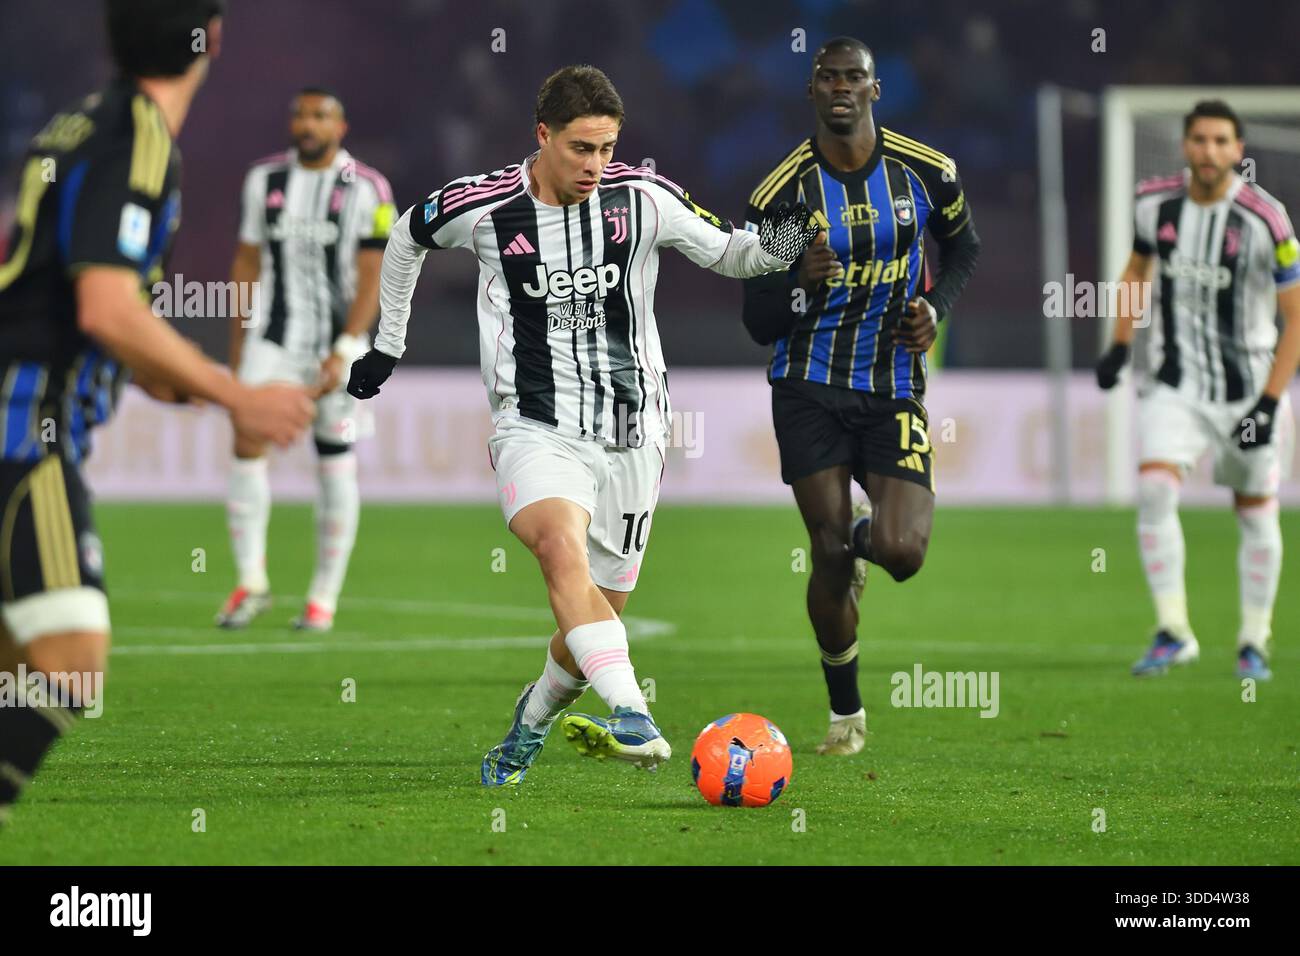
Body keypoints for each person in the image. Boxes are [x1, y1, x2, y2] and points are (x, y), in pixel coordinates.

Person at [347, 64, 822, 785]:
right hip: (534, 426)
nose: (596, 165)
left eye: (605, 148)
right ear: (542, 136)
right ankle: (634, 713)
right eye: (580, 148)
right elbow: (406, 237)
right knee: (557, 551)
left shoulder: (644, 199)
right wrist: (388, 343)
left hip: (635, 433)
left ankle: (529, 723)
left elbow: (734, 253)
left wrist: (788, 242)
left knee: (599, 611)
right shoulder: (485, 206)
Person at [0, 0, 313, 826]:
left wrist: (164, 377)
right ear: (211, 39)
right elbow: (106, 308)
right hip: (22, 427)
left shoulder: (77, 125)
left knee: (12, 667)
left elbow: (68, 298)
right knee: (70, 659)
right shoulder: (137, 135)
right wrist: (235, 393)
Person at [741, 37, 980, 755]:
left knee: (902, 553)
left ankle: (866, 535)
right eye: (828, 78)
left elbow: (964, 249)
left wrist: (937, 308)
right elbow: (759, 323)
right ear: (811, 91)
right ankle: (846, 718)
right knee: (830, 553)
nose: (841, 88)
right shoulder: (783, 196)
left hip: (894, 385)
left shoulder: (926, 174)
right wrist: (798, 283)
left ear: (876, 90)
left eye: (855, 78)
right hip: (807, 385)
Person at [1096, 100, 1300, 681]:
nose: (1209, 151)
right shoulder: (1154, 204)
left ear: (1239, 150)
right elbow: (1137, 272)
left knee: (1255, 512)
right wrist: (1118, 344)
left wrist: (1268, 402)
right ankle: (1172, 631)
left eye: (1220, 141)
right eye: (1199, 139)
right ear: (1185, 146)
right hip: (1175, 383)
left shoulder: (1268, 220)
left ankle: (1254, 641)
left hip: (1248, 391)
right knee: (1155, 488)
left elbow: (1296, 318)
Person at [217, 87, 394, 633]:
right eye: (299, 114)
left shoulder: (370, 189)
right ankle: (251, 582)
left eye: (319, 115)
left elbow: (374, 273)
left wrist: (347, 346)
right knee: (246, 437)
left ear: (339, 126)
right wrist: (239, 338)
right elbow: (247, 259)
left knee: (334, 455)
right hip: (275, 335)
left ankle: (323, 597)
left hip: (340, 342)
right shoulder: (262, 180)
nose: (306, 123)